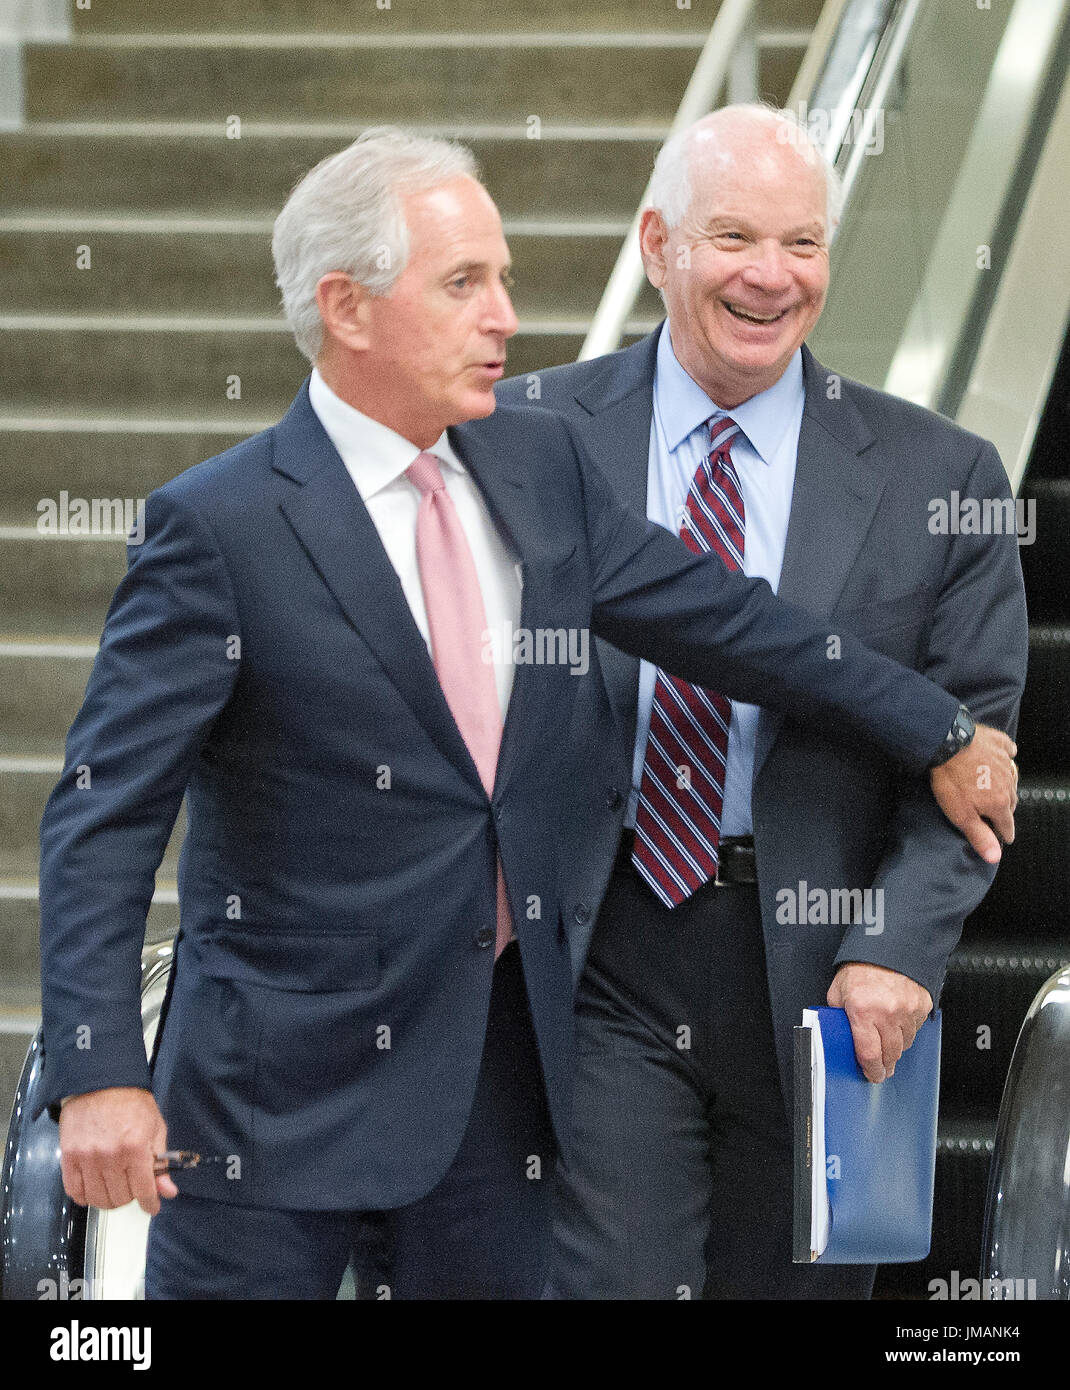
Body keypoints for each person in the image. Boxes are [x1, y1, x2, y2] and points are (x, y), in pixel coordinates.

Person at [37, 125, 1016, 1301]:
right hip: (271, 1106)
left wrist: (940, 730)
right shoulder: (217, 527)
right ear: (348, 309)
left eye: (502, 276)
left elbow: (730, 623)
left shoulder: (533, 467)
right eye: (464, 284)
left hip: (499, 1097)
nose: (506, 314)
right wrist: (98, 1066)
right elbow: (104, 815)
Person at [497, 104, 1028, 1300]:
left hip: (829, 979)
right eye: (732, 236)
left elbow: (975, 755)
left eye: (802, 243)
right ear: (656, 243)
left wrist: (896, 945)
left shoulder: (940, 479)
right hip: (605, 952)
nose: (769, 276)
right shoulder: (531, 438)